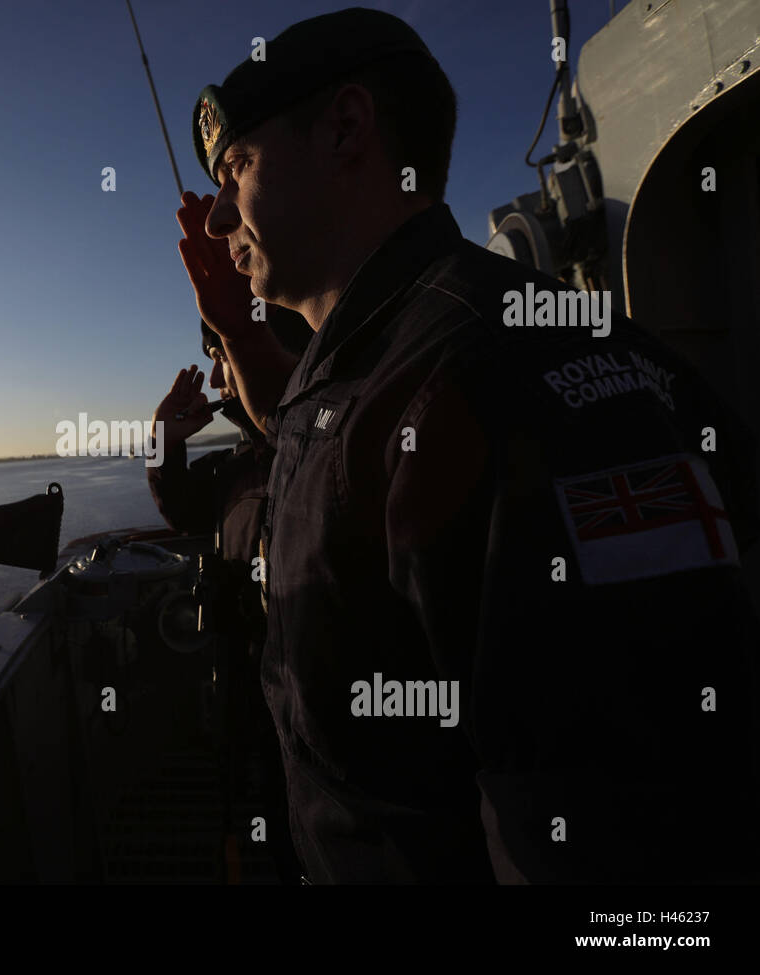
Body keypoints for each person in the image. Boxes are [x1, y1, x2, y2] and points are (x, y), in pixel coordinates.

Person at [176, 7, 760, 883]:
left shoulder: (506, 372)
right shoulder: (375, 367)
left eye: (238, 168)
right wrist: (245, 337)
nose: (219, 217)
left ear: (345, 129)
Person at [149, 310, 309, 883]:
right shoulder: (238, 469)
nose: (217, 384)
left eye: (223, 359)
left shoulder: (316, 455)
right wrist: (163, 447)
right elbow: (187, 509)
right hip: (258, 714)